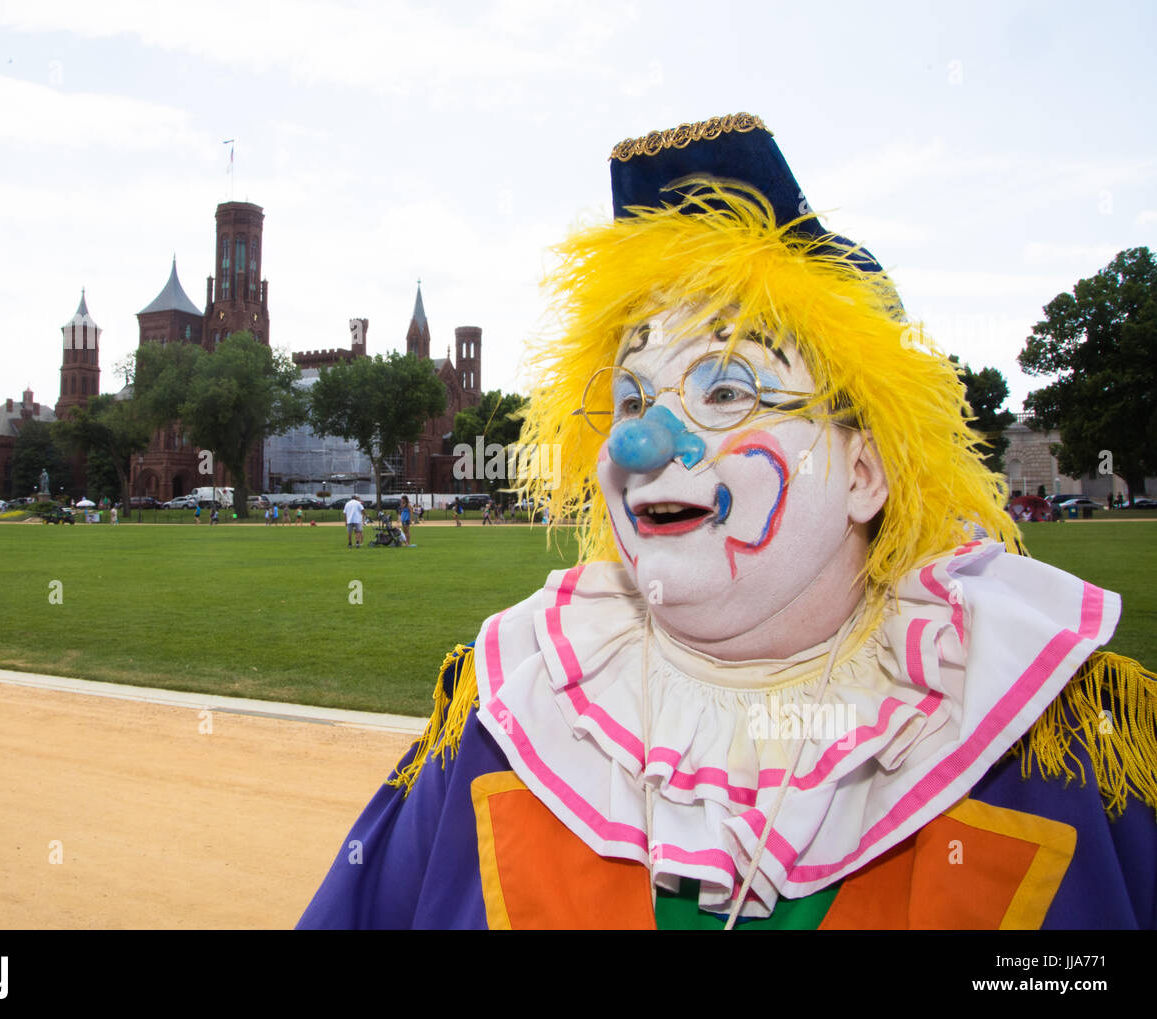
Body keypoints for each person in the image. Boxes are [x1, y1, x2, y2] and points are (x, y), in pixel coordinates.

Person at [299, 113, 1156, 931]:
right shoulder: (503, 720)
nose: (642, 439)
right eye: (632, 398)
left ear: (863, 473)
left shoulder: (1063, 747)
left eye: (726, 389)